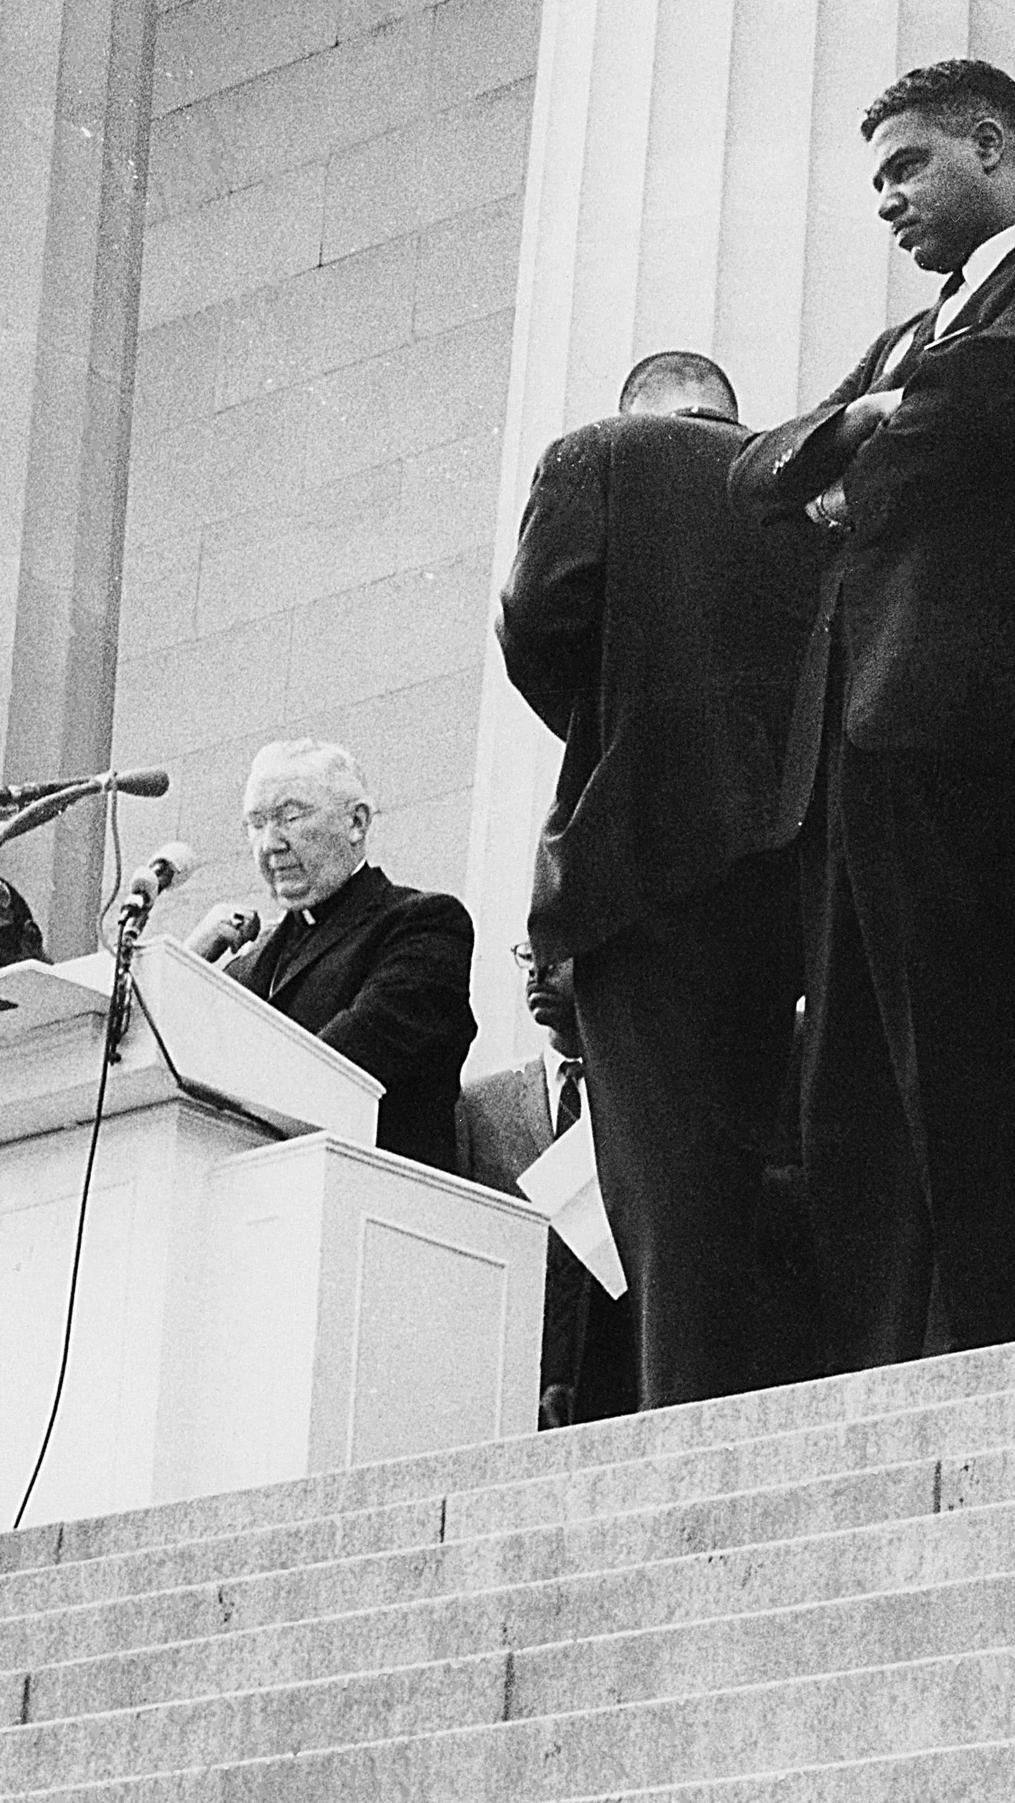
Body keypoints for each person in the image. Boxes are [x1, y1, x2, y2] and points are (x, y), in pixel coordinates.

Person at [729, 60, 1015, 1371]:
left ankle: (992, 1331)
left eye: (906, 167)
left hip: (962, 719)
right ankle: (885, 1353)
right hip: (853, 736)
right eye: (876, 181)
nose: (886, 202)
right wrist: (867, 419)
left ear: (989, 143)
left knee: (969, 1041)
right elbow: (756, 471)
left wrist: (868, 449)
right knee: (852, 1073)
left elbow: (988, 407)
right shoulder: (907, 338)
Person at [499, 350, 812, 1409]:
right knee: (767, 1168)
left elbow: (534, 618)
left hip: (638, 859)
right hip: (787, 854)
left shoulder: (598, 455)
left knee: (666, 1186)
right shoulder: (793, 475)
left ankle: (683, 1413)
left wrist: (614, 715)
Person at [184, 739, 476, 1174]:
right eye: (256, 824)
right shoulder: (245, 967)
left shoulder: (422, 924)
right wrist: (189, 964)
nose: (269, 844)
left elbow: (343, 1067)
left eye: (290, 817)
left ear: (356, 822)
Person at [454, 943, 638, 1428]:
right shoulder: (481, 1106)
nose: (539, 969)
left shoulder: (642, 1095)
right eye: (528, 954)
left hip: (621, 1366)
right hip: (517, 1376)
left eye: (558, 951)